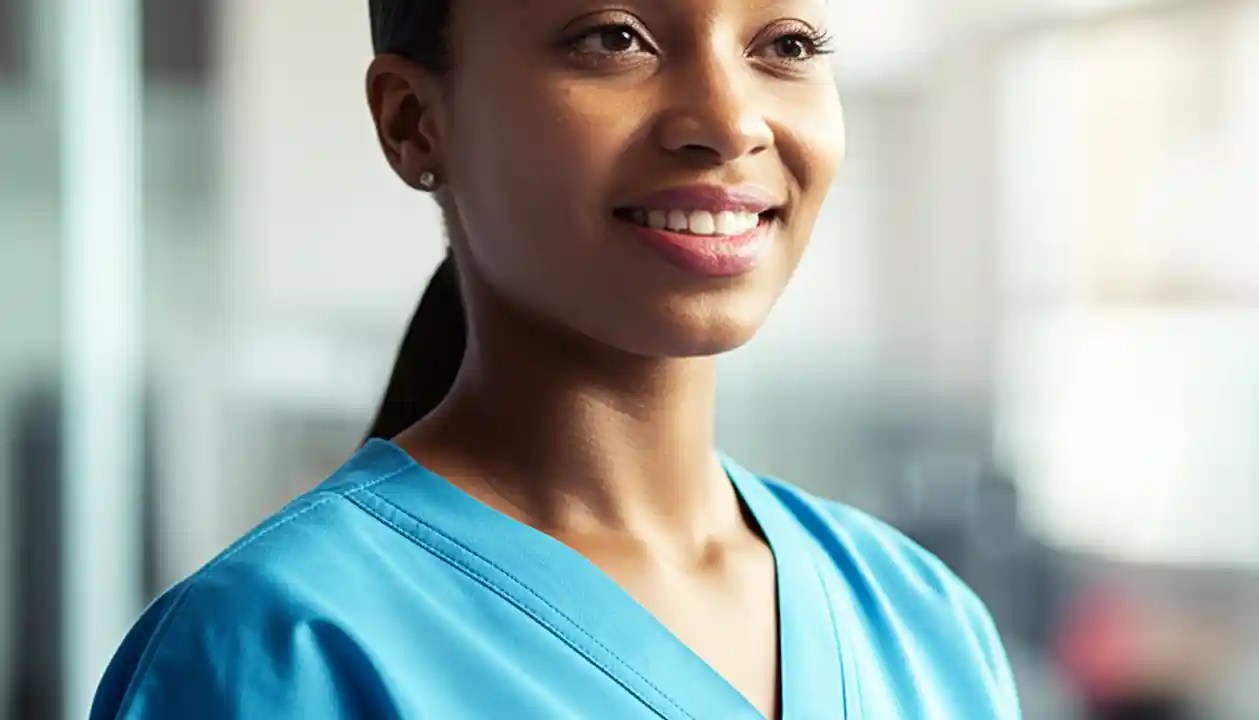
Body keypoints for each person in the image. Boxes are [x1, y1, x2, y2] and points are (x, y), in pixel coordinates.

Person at [91, 1, 1021, 718]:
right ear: (414, 122)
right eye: (614, 38)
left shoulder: (924, 624)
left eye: (785, 45)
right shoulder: (278, 649)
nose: (730, 120)